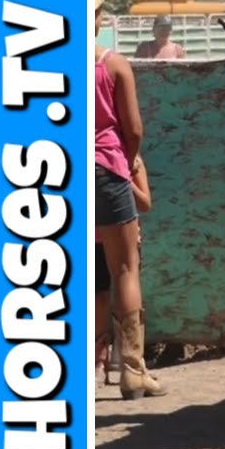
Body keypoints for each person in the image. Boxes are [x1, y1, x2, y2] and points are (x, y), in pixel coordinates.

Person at [94, 0, 168, 399]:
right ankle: (134, 369)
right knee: (125, 269)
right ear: (98, 19)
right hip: (106, 170)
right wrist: (126, 161)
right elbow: (134, 130)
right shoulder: (114, 65)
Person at [95, 152, 152, 386]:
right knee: (99, 296)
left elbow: (146, 203)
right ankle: (99, 361)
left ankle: (130, 363)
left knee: (125, 290)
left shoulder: (134, 162)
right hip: (94, 239)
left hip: (124, 239)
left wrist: (124, 182)